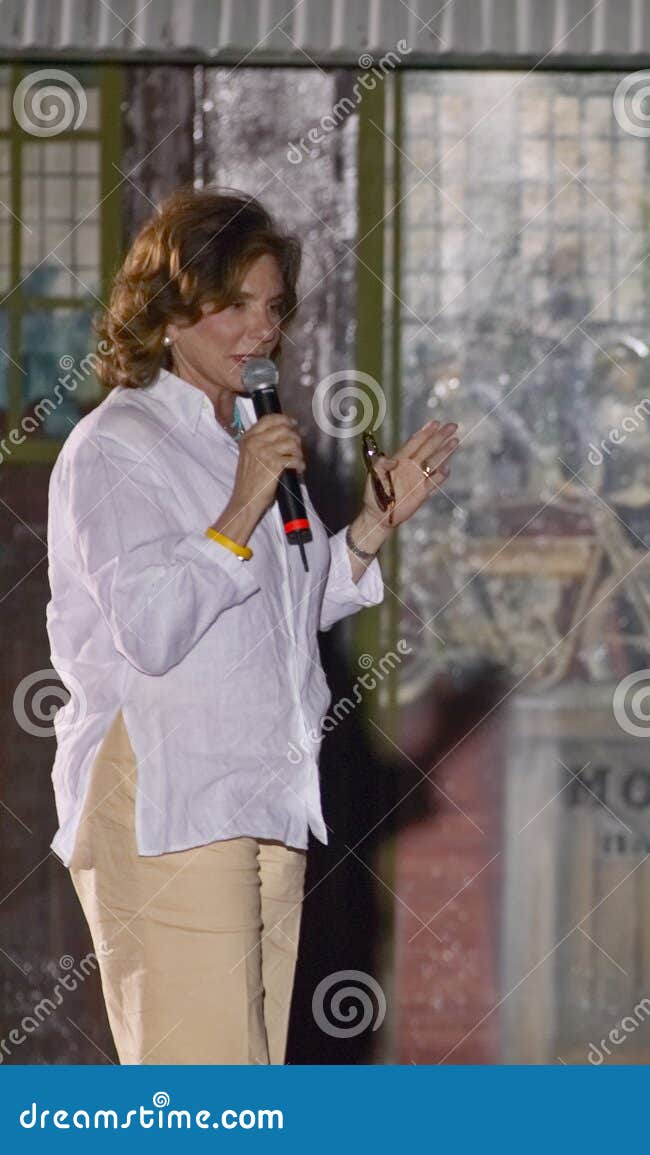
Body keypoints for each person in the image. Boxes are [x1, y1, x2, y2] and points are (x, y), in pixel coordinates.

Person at [45, 188, 460, 1064]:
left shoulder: (240, 431)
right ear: (168, 308)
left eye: (271, 307)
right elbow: (153, 627)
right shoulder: (116, 444)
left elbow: (280, 606)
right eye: (232, 303)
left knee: (251, 1082)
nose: (259, 328)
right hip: (167, 789)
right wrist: (241, 506)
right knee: (199, 1092)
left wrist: (373, 528)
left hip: (261, 790)